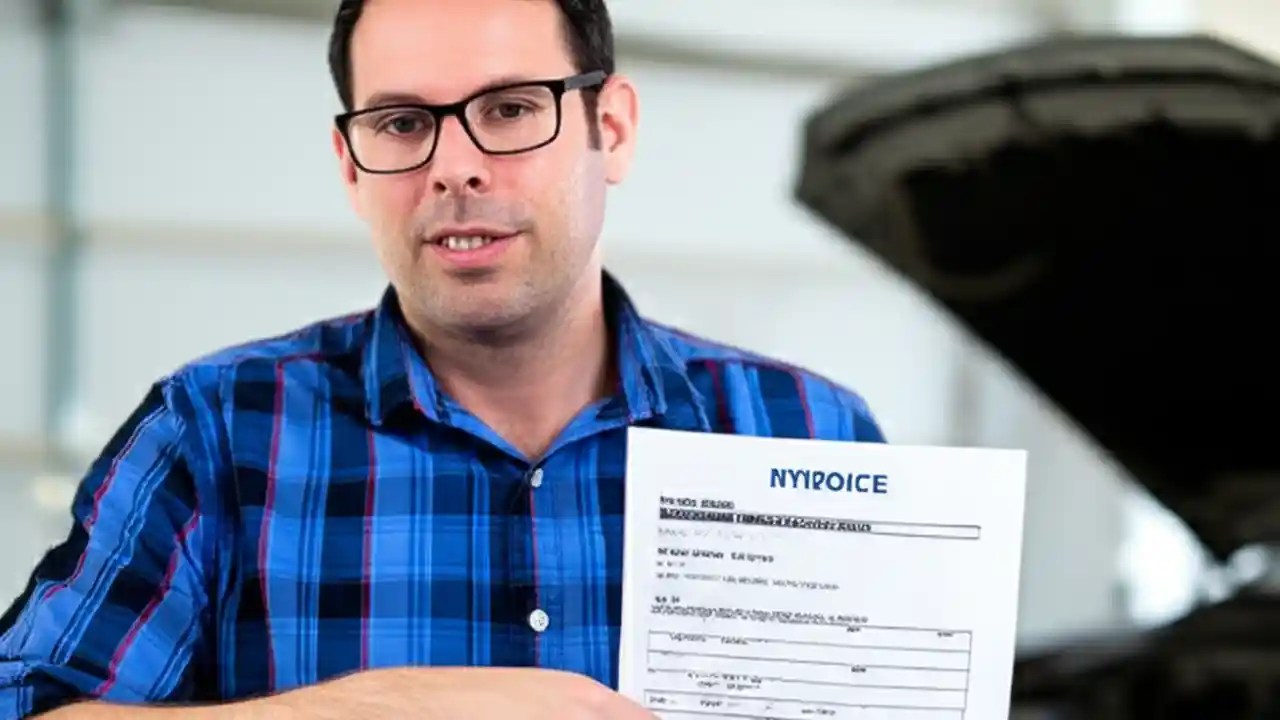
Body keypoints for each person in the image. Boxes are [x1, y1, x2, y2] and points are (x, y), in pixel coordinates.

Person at [0, 0, 886, 717]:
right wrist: (386, 707)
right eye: (401, 122)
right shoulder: (218, 434)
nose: (454, 168)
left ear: (609, 129)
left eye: (508, 109)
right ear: (350, 165)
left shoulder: (810, 436)